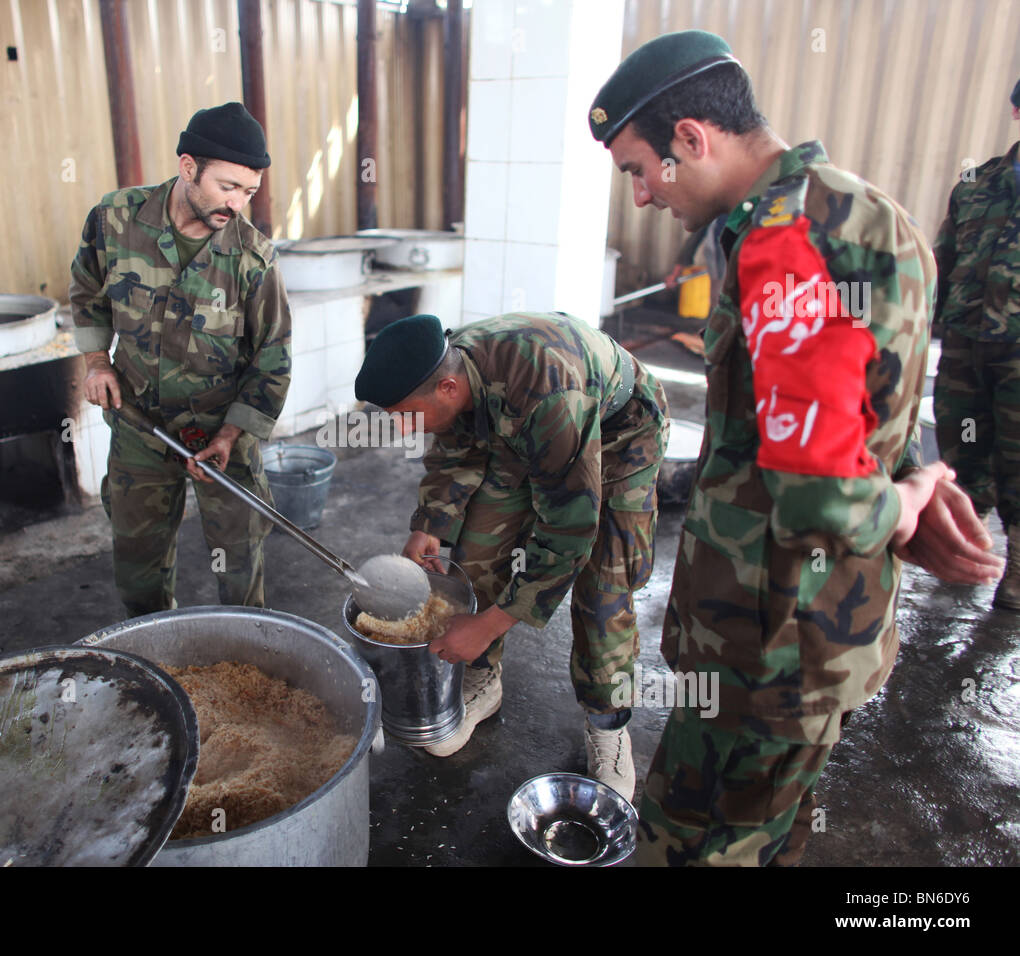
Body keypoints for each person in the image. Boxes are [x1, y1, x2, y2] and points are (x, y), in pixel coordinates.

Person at [590, 29, 1003, 865]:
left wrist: (910, 502)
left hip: (770, 642)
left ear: (692, 141)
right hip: (797, 637)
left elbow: (820, 493)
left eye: (639, 170)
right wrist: (911, 472)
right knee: (772, 832)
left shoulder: (788, 241)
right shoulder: (849, 212)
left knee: (697, 843)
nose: (640, 198)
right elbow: (865, 410)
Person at [355, 311, 668, 797]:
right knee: (476, 553)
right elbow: (456, 451)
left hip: (621, 434)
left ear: (448, 389)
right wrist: (431, 524)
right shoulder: (448, 370)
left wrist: (487, 625)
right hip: (525, 432)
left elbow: (568, 532)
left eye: (404, 415)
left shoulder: (547, 391)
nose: (400, 430)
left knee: (604, 588)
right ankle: (483, 678)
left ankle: (609, 724)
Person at [69, 102, 292, 616]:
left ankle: (245, 660)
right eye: (227, 187)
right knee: (137, 558)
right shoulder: (115, 220)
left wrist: (231, 436)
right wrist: (97, 362)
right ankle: (156, 655)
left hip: (221, 436)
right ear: (188, 167)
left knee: (238, 561)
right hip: (138, 427)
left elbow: (272, 358)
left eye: (249, 192)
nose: (237, 204)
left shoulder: (253, 259)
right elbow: (87, 291)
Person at [932, 80, 1020, 610]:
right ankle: (967, 543)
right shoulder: (975, 183)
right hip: (965, 342)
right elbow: (941, 259)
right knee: (962, 445)